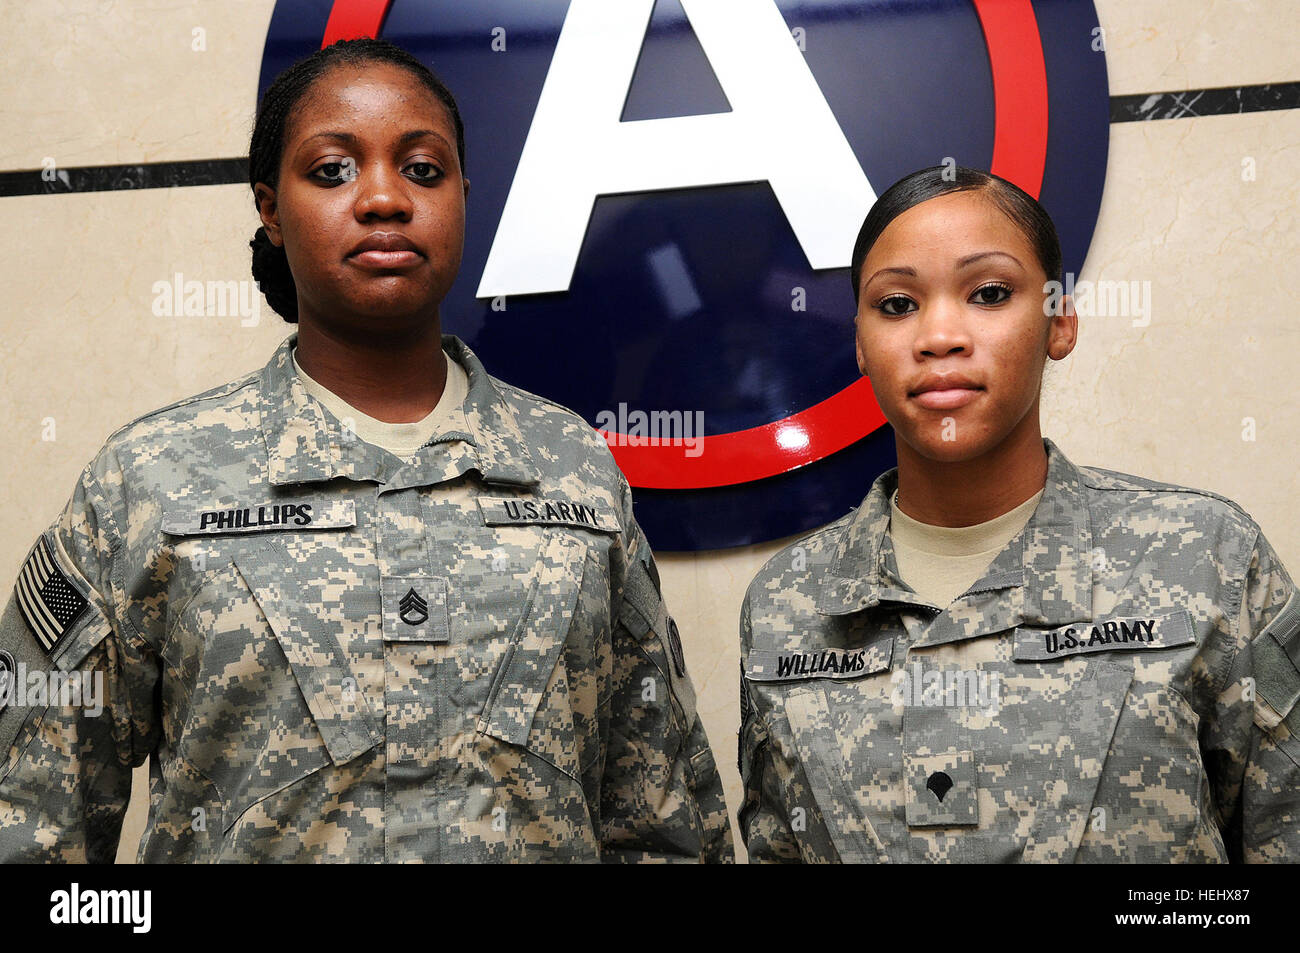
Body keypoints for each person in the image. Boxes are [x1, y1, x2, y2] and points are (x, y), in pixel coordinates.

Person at [0, 38, 733, 863]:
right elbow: (30, 824)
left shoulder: (575, 470)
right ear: (270, 209)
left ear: (464, 196)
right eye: (332, 170)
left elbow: (668, 824)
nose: (384, 198)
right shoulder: (150, 479)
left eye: (422, 169)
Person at [738, 166, 1299, 863]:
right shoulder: (787, 602)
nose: (939, 335)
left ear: (1059, 321)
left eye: (990, 293)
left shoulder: (1205, 556)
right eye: (896, 304)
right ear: (859, 342)